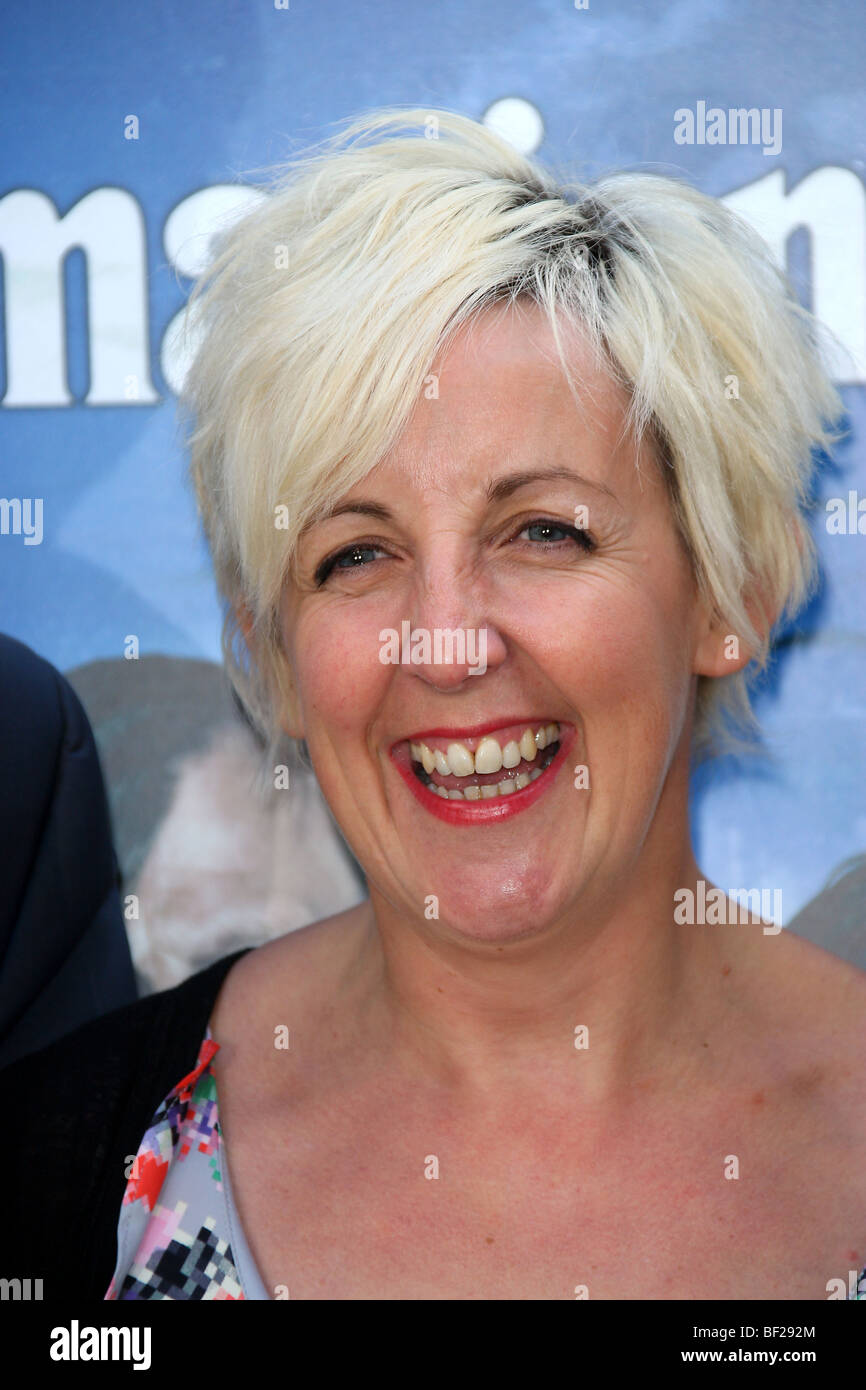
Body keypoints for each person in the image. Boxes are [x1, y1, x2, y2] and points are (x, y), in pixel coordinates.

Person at [3, 106, 864, 1302]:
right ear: (273, 649)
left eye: (543, 531)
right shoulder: (48, 1168)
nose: (445, 640)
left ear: (734, 589)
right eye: (355, 555)